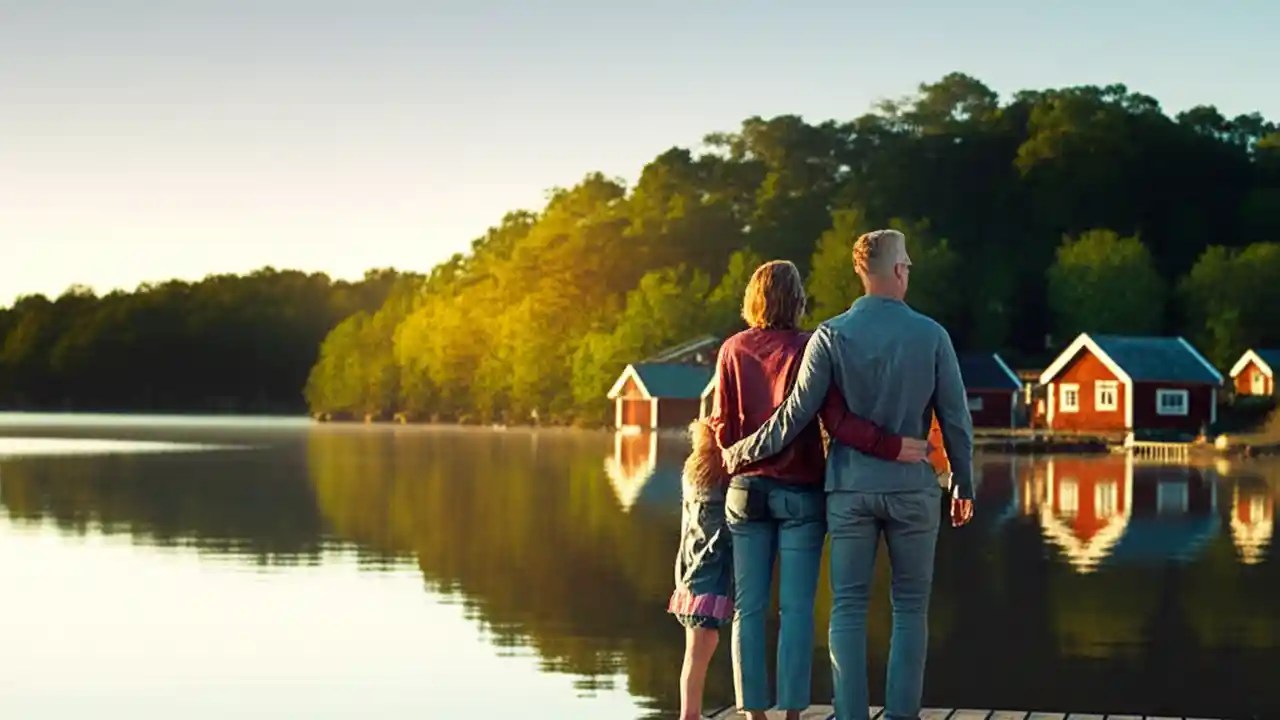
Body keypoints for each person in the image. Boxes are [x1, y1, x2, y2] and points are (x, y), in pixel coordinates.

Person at [722, 230, 974, 720]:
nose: (908, 270)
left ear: (861, 272)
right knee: (909, 608)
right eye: (907, 263)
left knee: (849, 607)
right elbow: (956, 418)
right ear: (898, 270)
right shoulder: (932, 335)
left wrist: (742, 451)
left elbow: (797, 414)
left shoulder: (831, 334)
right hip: (912, 491)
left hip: (849, 491)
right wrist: (962, 483)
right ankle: (902, 714)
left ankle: (850, 713)